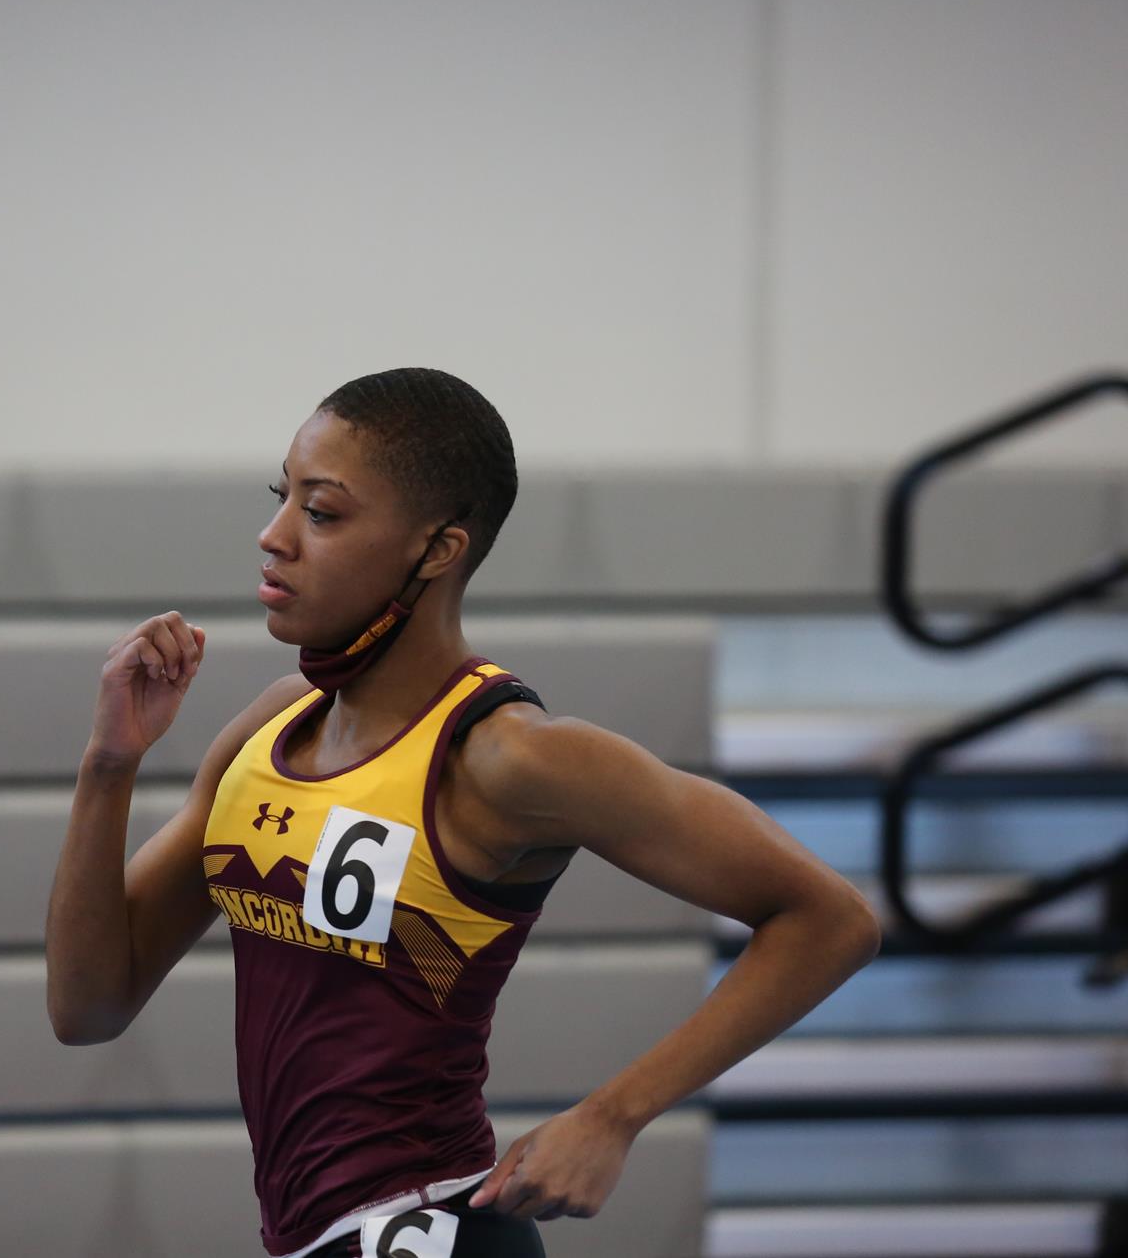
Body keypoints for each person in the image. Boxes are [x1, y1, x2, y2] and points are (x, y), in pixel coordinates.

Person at [46, 367, 882, 1258]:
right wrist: (110, 764)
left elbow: (831, 917)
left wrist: (613, 1115)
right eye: (280, 497)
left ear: (438, 550)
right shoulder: (269, 728)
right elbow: (89, 1005)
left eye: (321, 513)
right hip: (310, 1240)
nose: (274, 535)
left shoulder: (509, 754)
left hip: (432, 1225)